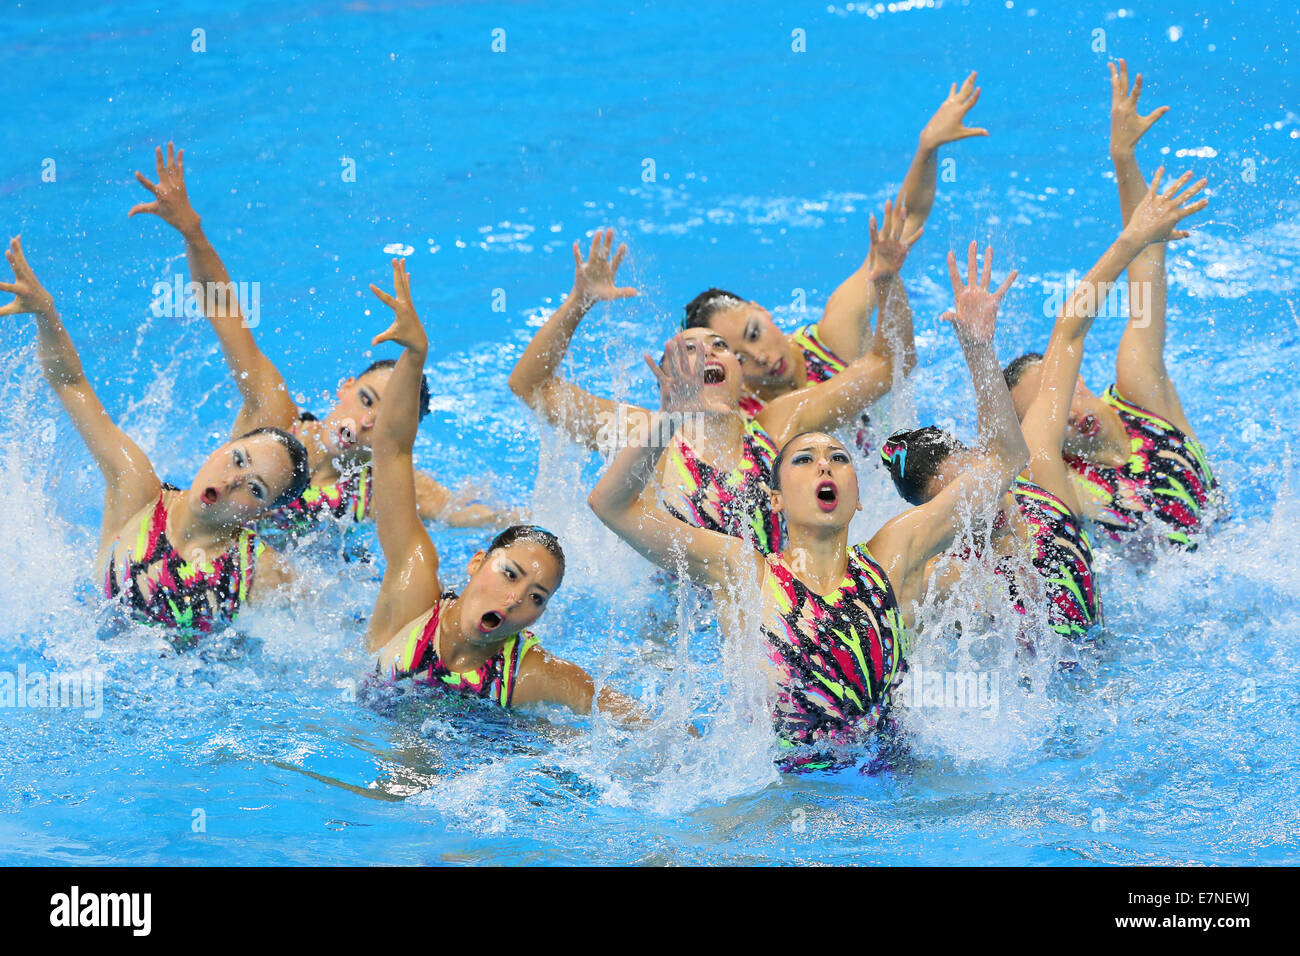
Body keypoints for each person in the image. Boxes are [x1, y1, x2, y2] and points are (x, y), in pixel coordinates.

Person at [588, 243, 1028, 770]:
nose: (824, 465)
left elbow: (1006, 459)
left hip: (898, 788)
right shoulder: (739, 572)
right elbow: (611, 506)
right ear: (775, 496)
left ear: (859, 493)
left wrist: (979, 350)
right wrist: (667, 419)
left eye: (838, 457)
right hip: (785, 804)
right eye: (803, 459)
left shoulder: (895, 554)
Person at [128, 143, 516, 541]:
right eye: (366, 400)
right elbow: (225, 313)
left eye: (383, 424)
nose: (366, 423)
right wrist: (193, 232)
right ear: (344, 387)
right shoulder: (274, 417)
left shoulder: (380, 488)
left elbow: (472, 515)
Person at [880, 170, 1206, 642]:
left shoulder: (1042, 485)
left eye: (974, 481)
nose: (978, 503)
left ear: (983, 461)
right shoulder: (947, 581)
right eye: (955, 500)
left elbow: (1069, 332)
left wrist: (1132, 236)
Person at [363, 258, 643, 720]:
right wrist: (414, 355)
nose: (515, 600)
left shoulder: (531, 674)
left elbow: (635, 719)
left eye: (536, 597)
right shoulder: (413, 595)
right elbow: (391, 451)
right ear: (477, 563)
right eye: (511, 574)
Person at [1, 236, 308, 643]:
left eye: (255, 487)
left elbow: (315, 647)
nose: (234, 480)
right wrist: (46, 313)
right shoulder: (137, 492)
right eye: (237, 460)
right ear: (220, 447)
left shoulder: (260, 573)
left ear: (261, 515)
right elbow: (70, 382)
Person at [680, 72, 987, 422]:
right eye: (738, 358)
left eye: (754, 334)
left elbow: (909, 219)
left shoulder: (836, 331)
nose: (760, 357)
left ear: (762, 311)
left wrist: (928, 148)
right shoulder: (743, 417)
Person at [1003, 64, 1218, 551]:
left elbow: (1146, 262)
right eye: (1049, 411)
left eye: (1065, 394)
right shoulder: (1067, 488)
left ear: (1077, 381)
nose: (1071, 413)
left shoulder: (1140, 392)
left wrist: (1123, 157)